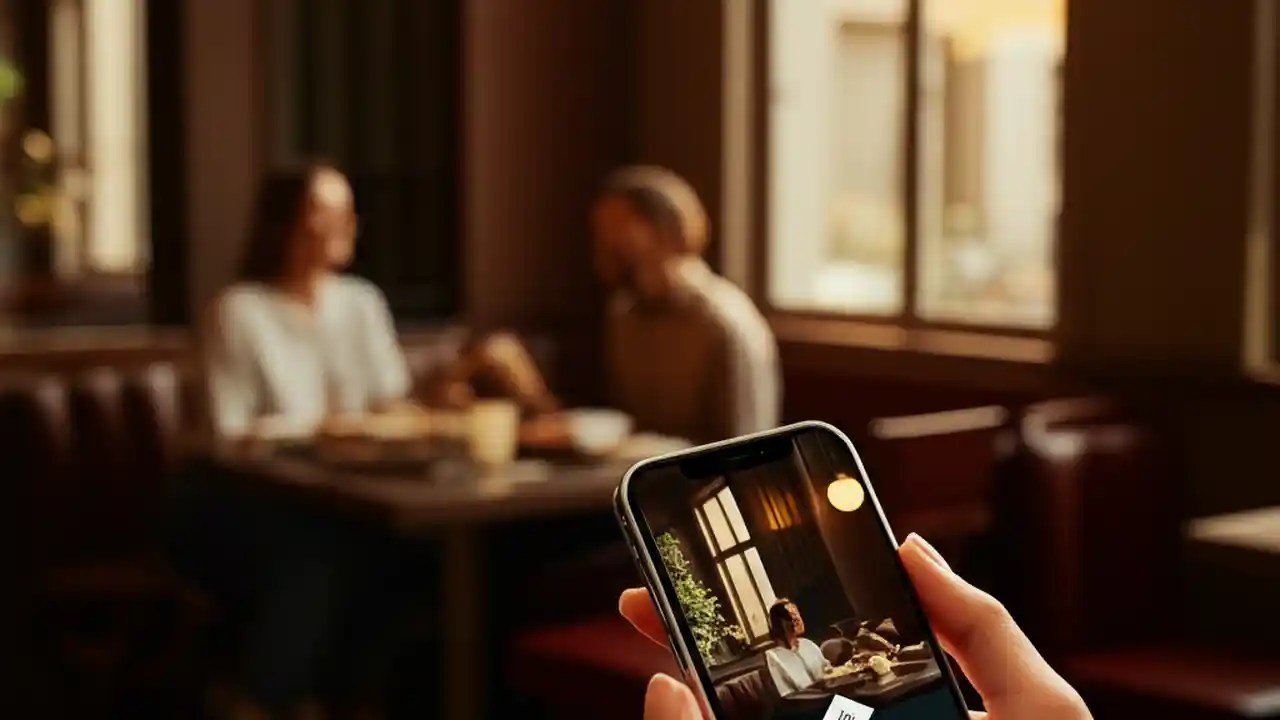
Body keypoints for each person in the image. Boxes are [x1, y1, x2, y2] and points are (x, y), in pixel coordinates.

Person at [203, 162, 555, 439]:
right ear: (284, 223)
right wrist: (323, 431)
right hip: (282, 488)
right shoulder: (237, 312)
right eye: (325, 212)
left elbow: (390, 406)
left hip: (360, 479)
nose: (344, 224)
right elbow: (231, 431)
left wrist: (444, 406)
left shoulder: (362, 302)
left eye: (348, 212)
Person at [621, 534, 1093, 720]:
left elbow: (823, 672)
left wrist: (842, 669)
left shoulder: (808, 643)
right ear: (780, 623)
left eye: (800, 616)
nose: (801, 621)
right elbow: (793, 691)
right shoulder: (774, 656)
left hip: (827, 703)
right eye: (793, 618)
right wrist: (834, 680)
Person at [592, 166, 779, 443]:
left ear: (667, 232)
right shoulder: (624, 316)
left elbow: (744, 445)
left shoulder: (724, 324)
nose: (605, 246)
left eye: (619, 234)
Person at [763, 599, 831, 696]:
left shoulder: (808, 644)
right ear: (777, 624)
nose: (796, 618)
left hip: (831, 697)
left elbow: (828, 670)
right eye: (789, 615)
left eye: (796, 613)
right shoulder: (773, 657)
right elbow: (787, 695)